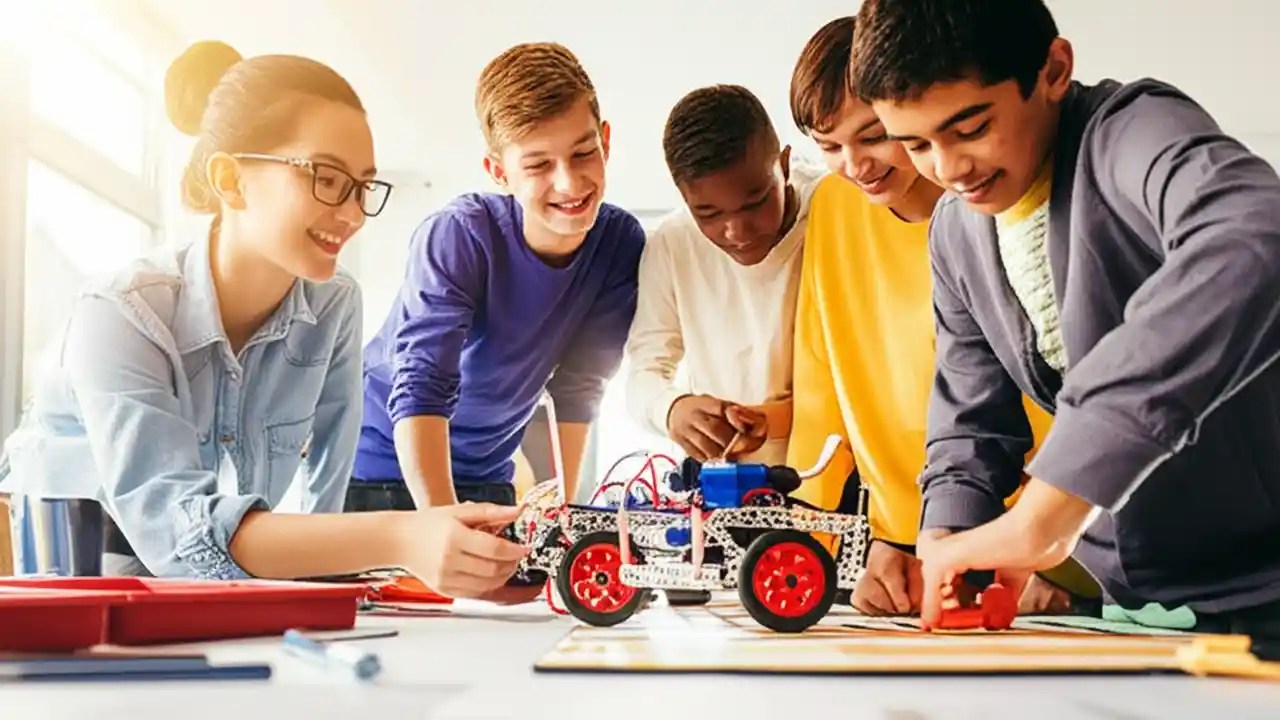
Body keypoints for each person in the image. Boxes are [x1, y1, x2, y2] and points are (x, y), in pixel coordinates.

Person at [0, 42, 530, 597]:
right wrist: (401, 535)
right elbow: (178, 537)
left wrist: (356, 579)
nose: (352, 213)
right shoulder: (122, 313)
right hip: (70, 549)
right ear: (230, 181)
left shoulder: (334, 304)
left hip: (218, 553)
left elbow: (327, 486)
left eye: (363, 186)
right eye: (326, 178)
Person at [851, 0, 1280, 635]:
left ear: (1053, 70)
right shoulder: (953, 232)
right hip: (1135, 607)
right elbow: (970, 419)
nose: (947, 169)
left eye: (970, 128)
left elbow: (1252, 233)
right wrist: (947, 542)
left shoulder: (1134, 130)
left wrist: (1046, 516)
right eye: (915, 144)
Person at [786, 16, 1073, 617]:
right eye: (830, 146)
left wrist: (1028, 537)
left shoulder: (990, 193)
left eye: (873, 137)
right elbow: (822, 377)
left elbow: (1037, 391)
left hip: (1049, 522)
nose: (854, 164)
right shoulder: (834, 209)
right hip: (915, 536)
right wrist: (814, 543)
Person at [353, 43, 643, 516]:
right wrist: (440, 525)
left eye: (583, 152)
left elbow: (578, 389)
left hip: (488, 479)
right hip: (379, 472)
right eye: (538, 165)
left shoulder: (618, 243)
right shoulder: (460, 235)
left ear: (605, 141)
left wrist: (564, 513)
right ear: (498, 171)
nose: (569, 183)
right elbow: (423, 384)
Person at [625, 84, 823, 468]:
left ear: (783, 165)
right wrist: (672, 408)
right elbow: (644, 372)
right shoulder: (672, 242)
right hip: (720, 487)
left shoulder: (832, 208)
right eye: (709, 214)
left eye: (755, 202)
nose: (737, 231)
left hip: (833, 475)